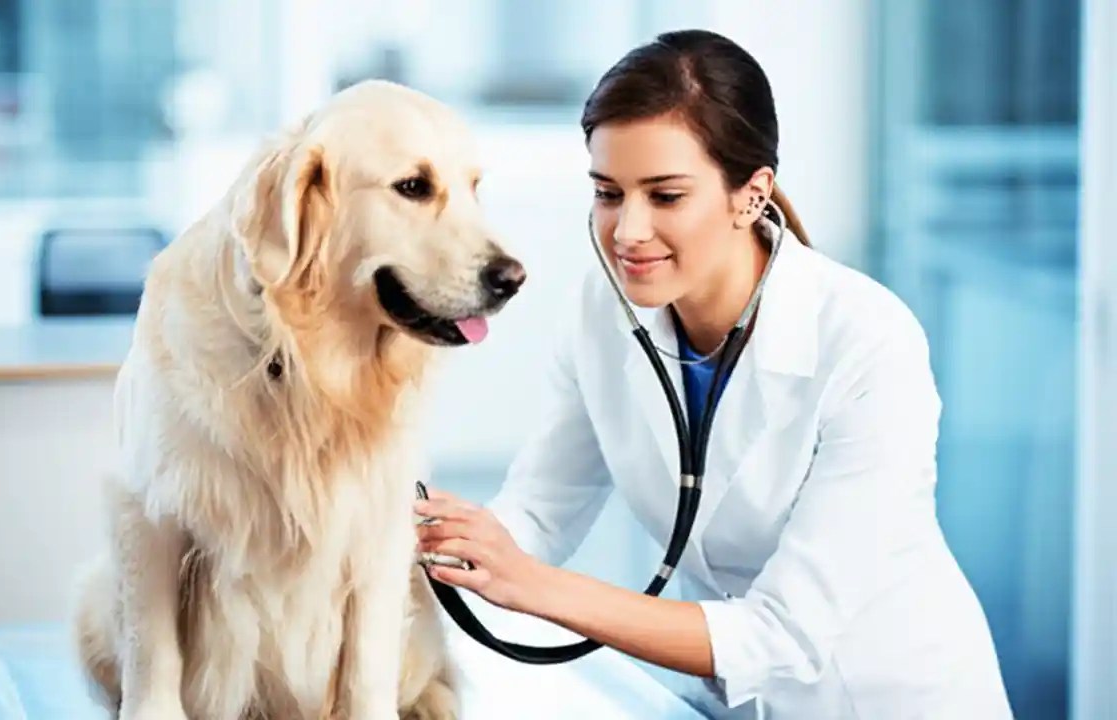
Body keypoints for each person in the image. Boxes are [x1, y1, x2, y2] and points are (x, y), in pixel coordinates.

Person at [413, 29, 1012, 719]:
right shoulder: (601, 311)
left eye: (664, 196)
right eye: (608, 193)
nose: (627, 231)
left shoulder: (869, 343)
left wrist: (534, 586)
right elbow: (539, 515)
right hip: (737, 705)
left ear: (750, 195)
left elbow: (780, 633)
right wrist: (422, 542)